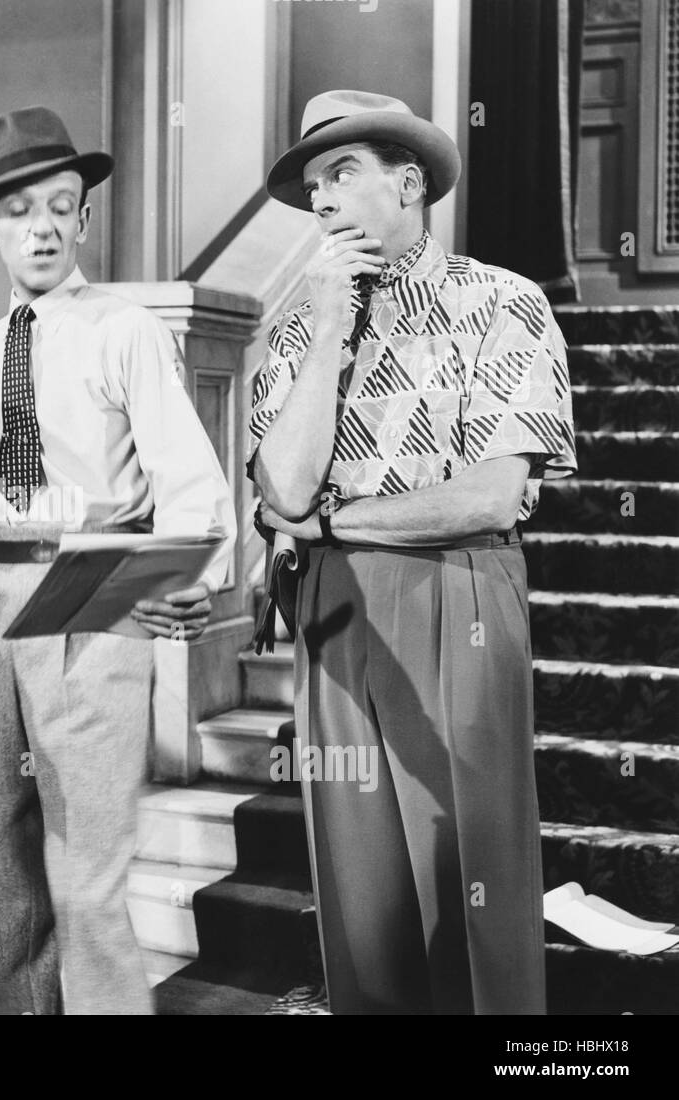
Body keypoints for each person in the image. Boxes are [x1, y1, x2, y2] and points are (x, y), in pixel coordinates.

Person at [249, 90, 576, 1013]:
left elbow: (490, 495)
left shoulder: (502, 303)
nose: (320, 200)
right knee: (361, 893)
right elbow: (281, 492)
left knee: (469, 873)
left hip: (457, 598)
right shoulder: (299, 326)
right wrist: (323, 337)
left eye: (342, 174)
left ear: (408, 182)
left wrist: (330, 519)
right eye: (313, 182)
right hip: (331, 610)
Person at [0, 106, 236, 1015]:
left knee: (87, 877)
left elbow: (192, 484)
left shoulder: (125, 330)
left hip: (90, 593)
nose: (45, 227)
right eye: (20, 210)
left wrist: (188, 586)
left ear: (86, 219)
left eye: (63, 206)